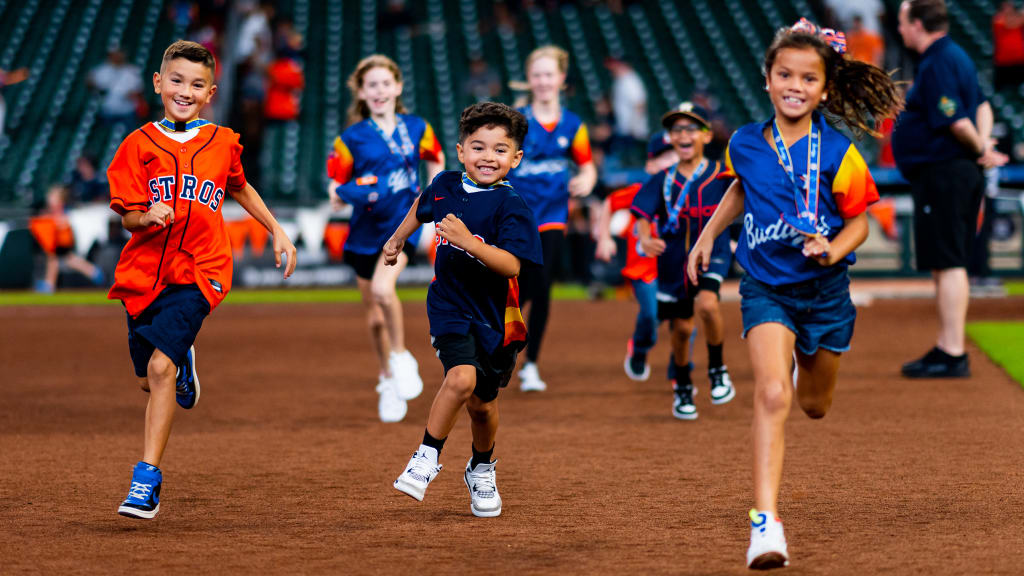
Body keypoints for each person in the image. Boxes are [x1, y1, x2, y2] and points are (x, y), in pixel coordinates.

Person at [687, 19, 901, 569]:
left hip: (826, 292)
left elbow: (861, 223)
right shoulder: (742, 142)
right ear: (767, 78)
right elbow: (741, 186)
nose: (795, 85)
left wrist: (831, 248)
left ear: (824, 88)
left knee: (813, 404)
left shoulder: (840, 152)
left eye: (808, 77)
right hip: (765, 287)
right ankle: (765, 524)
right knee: (773, 395)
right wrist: (709, 235)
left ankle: (808, 363)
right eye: (785, 73)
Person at [107, 40, 297, 519]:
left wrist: (275, 229)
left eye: (196, 84)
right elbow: (126, 216)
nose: (185, 90)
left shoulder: (221, 141)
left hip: (201, 271)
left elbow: (239, 186)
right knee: (150, 378)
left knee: (158, 369)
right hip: (145, 275)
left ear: (210, 92)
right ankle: (183, 363)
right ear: (158, 83)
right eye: (176, 80)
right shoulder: (136, 145)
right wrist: (144, 215)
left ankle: (145, 481)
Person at [385, 102, 541, 517]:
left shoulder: (513, 207)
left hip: (494, 317)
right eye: (478, 147)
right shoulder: (444, 184)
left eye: (499, 149)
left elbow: (512, 266)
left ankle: (482, 467)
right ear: (460, 151)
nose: (488, 157)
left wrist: (469, 241)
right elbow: (421, 208)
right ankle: (426, 457)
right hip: (449, 305)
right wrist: (397, 239)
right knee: (461, 378)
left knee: (483, 405)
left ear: (516, 158)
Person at [892, 0, 1008, 379]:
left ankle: (953, 351)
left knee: (951, 261)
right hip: (948, 173)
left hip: (946, 172)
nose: (900, 28)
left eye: (903, 21)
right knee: (945, 261)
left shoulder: (939, 60)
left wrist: (979, 149)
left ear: (918, 23)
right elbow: (984, 107)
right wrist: (984, 143)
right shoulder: (954, 56)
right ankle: (946, 345)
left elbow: (957, 121)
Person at [326, 55, 445, 421]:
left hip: (402, 227)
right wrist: (357, 190)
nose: (379, 91)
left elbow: (437, 159)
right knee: (375, 316)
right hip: (363, 234)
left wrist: (432, 198)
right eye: (371, 85)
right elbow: (334, 189)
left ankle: (401, 356)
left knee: (383, 289)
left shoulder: (417, 127)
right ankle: (387, 377)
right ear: (362, 92)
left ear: (397, 86)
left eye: (384, 83)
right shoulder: (350, 139)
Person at [631, 103, 736, 420]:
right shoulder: (663, 179)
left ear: (706, 135)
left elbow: (744, 202)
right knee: (680, 330)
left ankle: (717, 368)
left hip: (712, 255)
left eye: (691, 128)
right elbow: (641, 214)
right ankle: (683, 385)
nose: (683, 135)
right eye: (677, 130)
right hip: (674, 263)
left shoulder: (722, 174)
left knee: (707, 305)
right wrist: (646, 238)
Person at [506, 45, 597, 392]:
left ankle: (530, 364)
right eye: (537, 75)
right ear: (529, 79)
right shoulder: (515, 120)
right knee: (517, 283)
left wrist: (585, 180)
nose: (543, 81)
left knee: (542, 286)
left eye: (549, 74)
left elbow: (586, 165)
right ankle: (503, 340)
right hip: (514, 214)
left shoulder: (573, 124)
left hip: (553, 216)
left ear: (560, 79)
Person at [593, 131, 677, 382]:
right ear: (651, 165)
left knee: (684, 325)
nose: (671, 161)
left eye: (674, 155)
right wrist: (605, 237)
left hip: (675, 269)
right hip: (644, 268)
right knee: (650, 316)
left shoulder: (686, 195)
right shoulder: (640, 191)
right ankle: (639, 351)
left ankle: (680, 376)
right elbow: (610, 202)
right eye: (664, 157)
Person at [29, 185, 106, 293]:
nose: (49, 199)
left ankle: (49, 285)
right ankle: (93, 272)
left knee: (55, 259)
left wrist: (54, 221)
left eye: (52, 197)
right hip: (61, 240)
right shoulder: (53, 210)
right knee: (67, 260)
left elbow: (62, 221)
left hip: (62, 239)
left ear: (59, 200)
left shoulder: (60, 209)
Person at [88, 50, 144, 126]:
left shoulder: (132, 71)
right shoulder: (102, 70)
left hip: (126, 111)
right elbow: (90, 83)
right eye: (115, 55)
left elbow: (139, 90)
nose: (117, 57)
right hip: (107, 111)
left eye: (119, 54)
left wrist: (131, 94)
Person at [993, 1, 1024, 91]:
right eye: (1006, 7)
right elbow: (1011, 23)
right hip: (1003, 64)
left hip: (1019, 62)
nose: (1009, 9)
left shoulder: (1018, 18)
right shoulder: (998, 19)